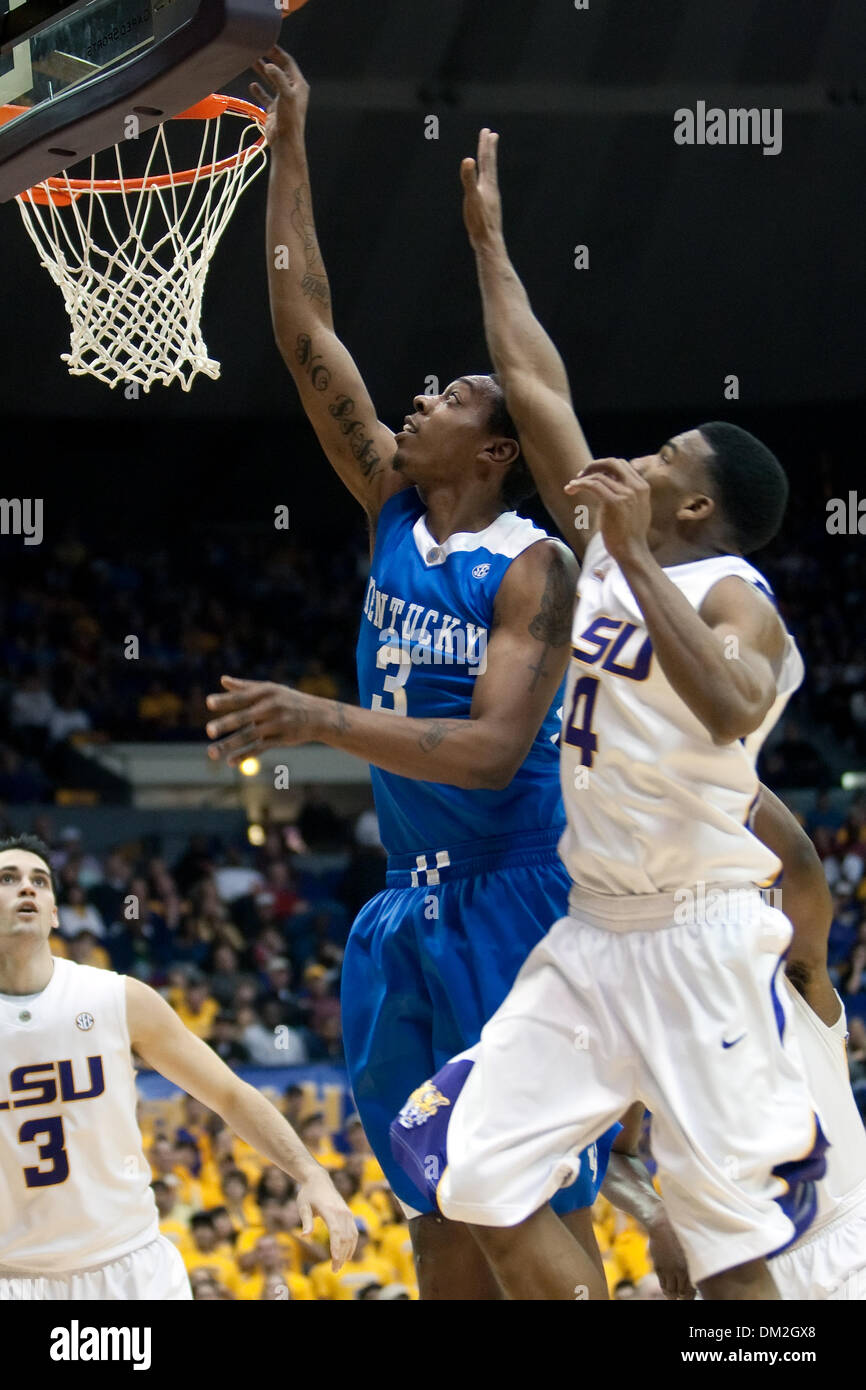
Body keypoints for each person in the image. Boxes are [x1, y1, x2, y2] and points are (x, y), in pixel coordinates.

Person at [204, 47, 617, 1298]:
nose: (418, 399)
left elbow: (493, 752)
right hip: (404, 905)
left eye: (446, 394)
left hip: (510, 894)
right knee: (433, 1201)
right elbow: (301, 325)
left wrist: (316, 714)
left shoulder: (532, 566)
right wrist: (289, 144)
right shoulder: (392, 506)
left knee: (526, 1198)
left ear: (494, 447)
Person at [389, 129, 825, 1301]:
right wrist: (488, 244)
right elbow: (534, 387)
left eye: (663, 455)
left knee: (724, 1242)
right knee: (468, 1172)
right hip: (591, 930)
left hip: (698, 938)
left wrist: (628, 559)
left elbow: (734, 704)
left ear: (692, 502)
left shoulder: (731, 593)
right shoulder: (611, 546)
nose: (631, 458)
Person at [0, 834, 356, 1300]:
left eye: (40, 881)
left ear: (54, 912)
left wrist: (312, 1174)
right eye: (8, 879)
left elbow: (228, 1093)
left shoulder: (117, 997)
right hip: (15, 1275)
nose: (27, 888)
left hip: (127, 1266)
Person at [605, 785, 866, 1301]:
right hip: (734, 1277)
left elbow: (800, 861)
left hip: (847, 1246)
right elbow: (613, 1154)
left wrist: (721, 765)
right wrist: (656, 1216)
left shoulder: (796, 981)